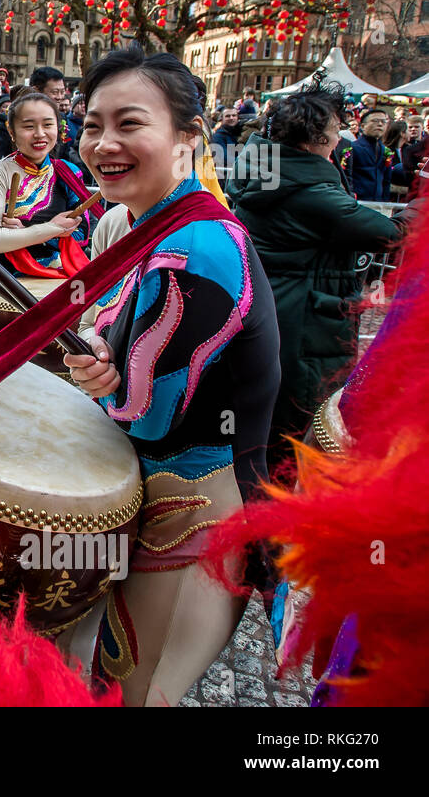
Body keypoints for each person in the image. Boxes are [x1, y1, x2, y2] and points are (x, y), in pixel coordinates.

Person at [63, 47, 280, 707]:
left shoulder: (195, 248)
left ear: (189, 140)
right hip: (151, 497)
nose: (103, 143)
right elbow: (120, 345)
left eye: (130, 123)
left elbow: (147, 411)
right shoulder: (146, 225)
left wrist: (107, 379)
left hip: (190, 520)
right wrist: (102, 356)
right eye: (93, 124)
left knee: (120, 696)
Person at [229, 78, 401, 474]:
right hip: (305, 319)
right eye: (337, 129)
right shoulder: (310, 190)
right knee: (295, 424)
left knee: (264, 414)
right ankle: (273, 514)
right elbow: (389, 233)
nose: (341, 137)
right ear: (315, 138)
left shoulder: (267, 167)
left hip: (273, 306)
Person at [0, 91, 91, 278]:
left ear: (58, 128)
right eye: (29, 126)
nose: (39, 134)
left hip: (61, 278)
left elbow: (82, 236)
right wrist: (54, 229)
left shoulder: (68, 172)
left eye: (47, 125)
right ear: (12, 132)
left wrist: (23, 233)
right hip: (9, 280)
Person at [338, 108, 394, 201]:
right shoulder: (351, 148)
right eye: (375, 121)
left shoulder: (386, 151)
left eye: (383, 121)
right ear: (363, 126)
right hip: (357, 202)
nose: (380, 124)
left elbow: (386, 181)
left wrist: (385, 201)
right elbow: (346, 177)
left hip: (379, 203)